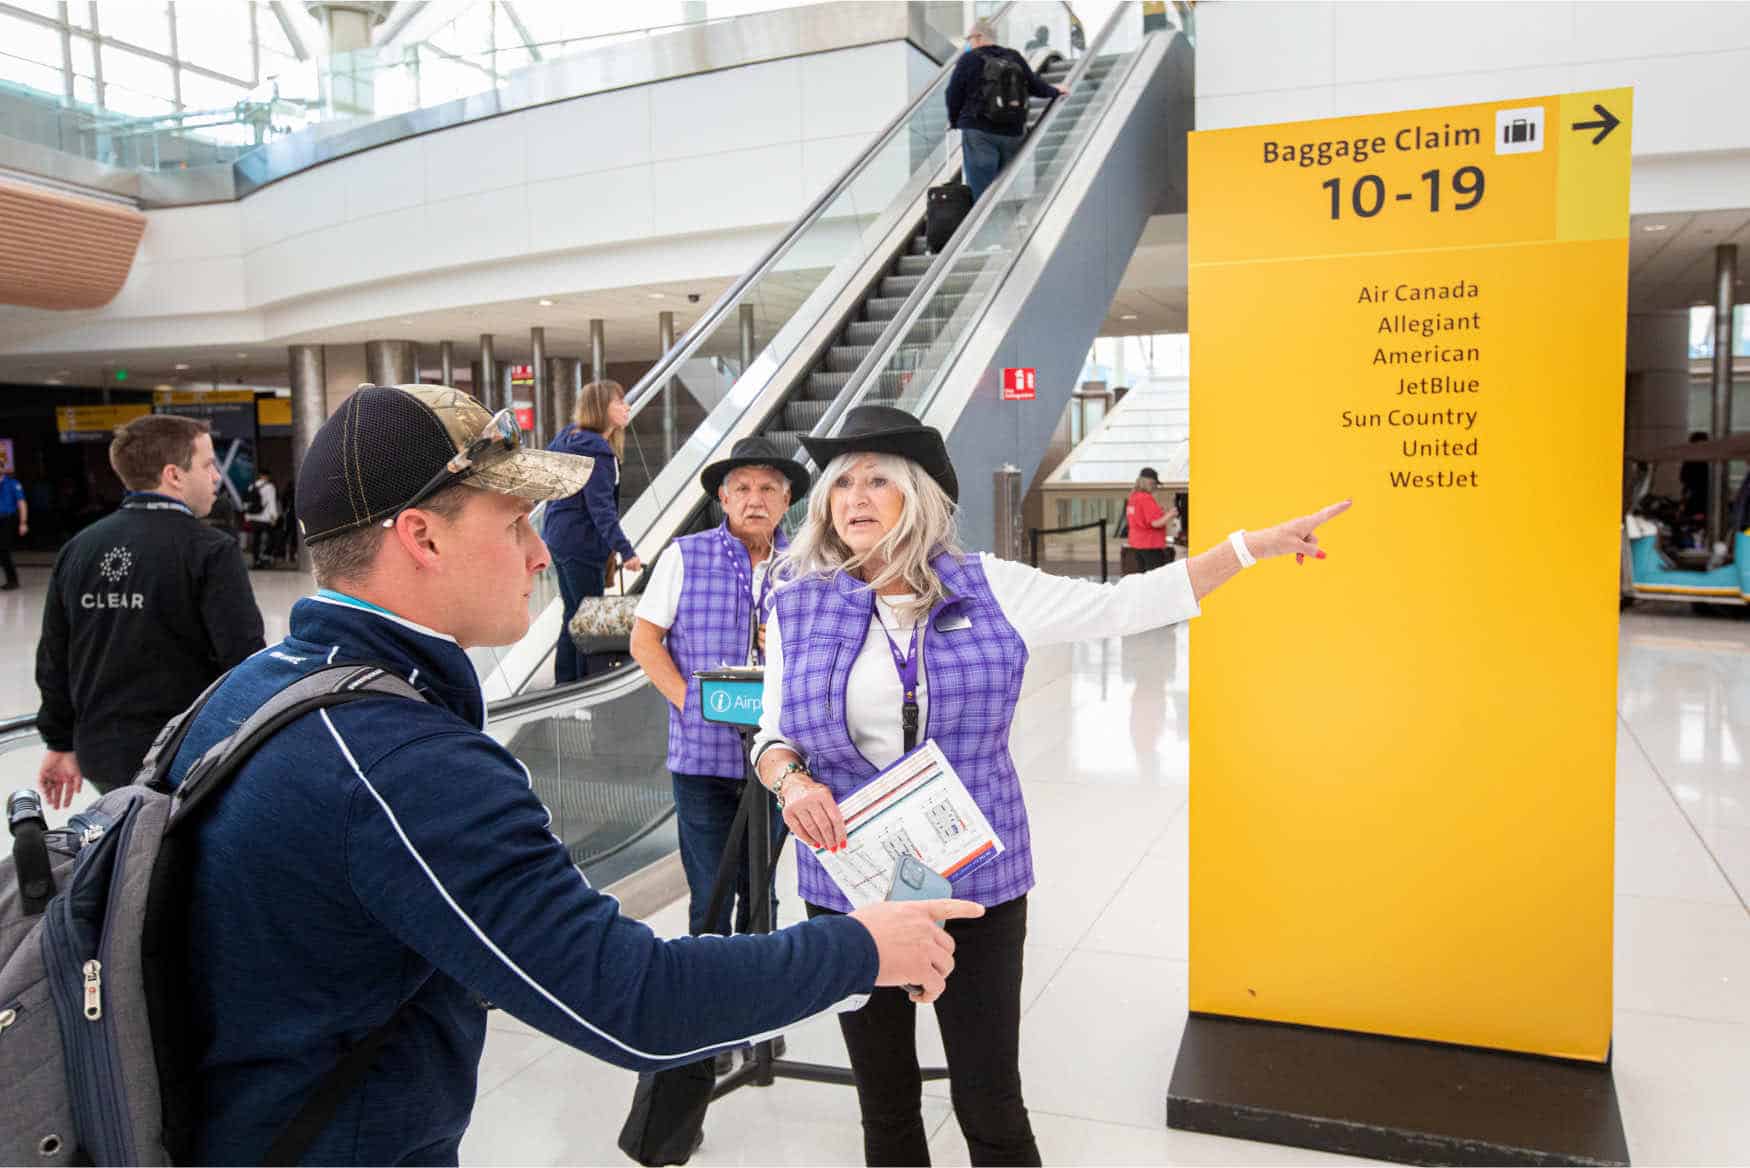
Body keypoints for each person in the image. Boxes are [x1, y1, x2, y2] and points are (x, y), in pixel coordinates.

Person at [162, 385, 979, 1164]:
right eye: (515, 521)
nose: (540, 551)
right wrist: (860, 947)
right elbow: (639, 1001)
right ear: (422, 538)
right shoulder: (403, 762)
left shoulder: (253, 689)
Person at [751, 404, 1350, 1166]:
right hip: (852, 883)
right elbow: (772, 735)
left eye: (877, 481)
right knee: (885, 1103)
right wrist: (792, 782)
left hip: (977, 880)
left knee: (989, 1101)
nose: (855, 498)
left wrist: (1247, 548)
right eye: (842, 483)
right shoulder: (796, 603)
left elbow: (1123, 606)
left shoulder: (989, 586)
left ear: (917, 495)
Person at [34, 414, 265, 809]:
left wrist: (59, 742)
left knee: (129, 838)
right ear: (173, 475)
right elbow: (242, 660)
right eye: (208, 465)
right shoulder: (209, 550)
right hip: (184, 756)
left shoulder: (79, 548)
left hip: (101, 754)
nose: (216, 477)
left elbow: (55, 655)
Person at [631, 437, 811, 939]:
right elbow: (644, 641)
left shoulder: (806, 566)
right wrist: (692, 705)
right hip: (701, 761)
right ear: (724, 498)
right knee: (710, 896)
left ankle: (759, 985)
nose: (756, 499)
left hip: (777, 759)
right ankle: (706, 985)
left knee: (762, 894)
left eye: (769, 489)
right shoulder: (684, 556)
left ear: (787, 500)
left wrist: (789, 641)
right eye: (743, 488)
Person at [545, 380, 643, 683]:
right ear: (601, 408)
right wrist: (626, 551)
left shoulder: (567, 438)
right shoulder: (598, 453)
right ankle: (582, 684)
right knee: (586, 618)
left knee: (574, 613)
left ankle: (566, 682)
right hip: (581, 542)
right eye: (619, 402)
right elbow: (601, 509)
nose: (626, 407)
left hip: (558, 537)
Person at [946, 20, 1067, 202]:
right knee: (1005, 189)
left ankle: (980, 219)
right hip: (1013, 133)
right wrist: (1056, 91)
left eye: (969, 39)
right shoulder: (1014, 57)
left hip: (980, 132)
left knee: (981, 192)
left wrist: (954, 120)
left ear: (978, 37)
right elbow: (1035, 86)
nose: (969, 44)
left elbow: (953, 93)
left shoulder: (969, 59)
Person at [1125, 466, 1172, 571]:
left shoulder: (1133, 497)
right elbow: (1155, 523)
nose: (1155, 487)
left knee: (1143, 575)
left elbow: (1139, 519)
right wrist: (1171, 514)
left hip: (1137, 544)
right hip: (1150, 544)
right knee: (1156, 576)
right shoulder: (1146, 498)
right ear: (1149, 482)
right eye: (1154, 484)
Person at [244, 467, 281, 568]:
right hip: (265, 518)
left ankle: (256, 560)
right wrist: (274, 517)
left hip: (253, 518)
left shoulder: (252, 486)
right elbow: (272, 502)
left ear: (260, 476)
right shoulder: (270, 487)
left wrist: (247, 516)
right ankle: (265, 556)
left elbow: (248, 502)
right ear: (267, 476)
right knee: (272, 538)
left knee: (256, 540)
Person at [0, 453, 26, 590]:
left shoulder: (13, 484)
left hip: (7, 519)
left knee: (4, 549)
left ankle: (13, 580)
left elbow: (22, 503)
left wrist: (23, 522)